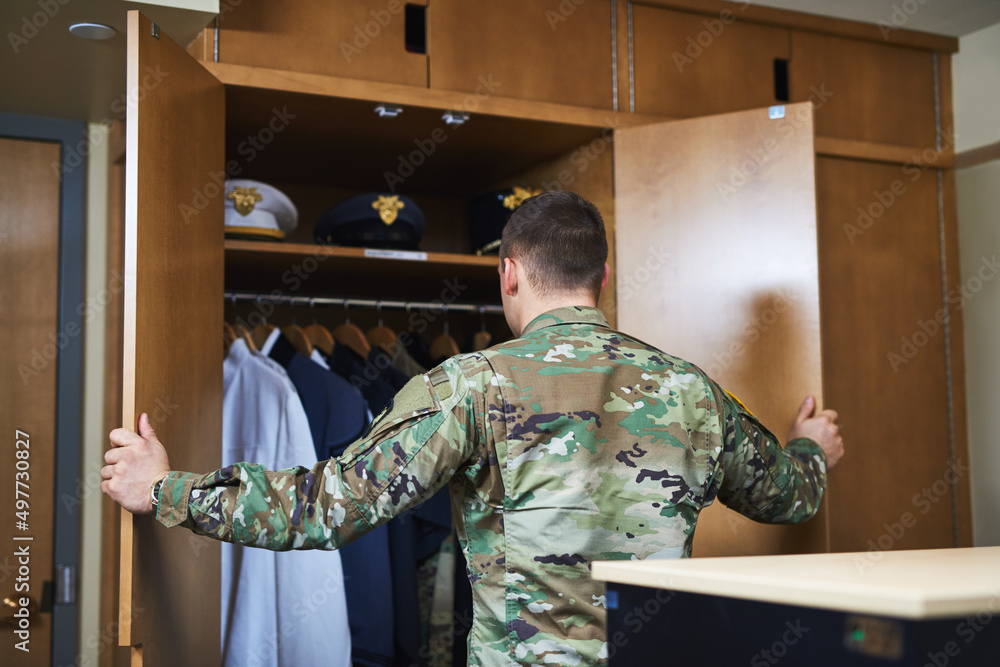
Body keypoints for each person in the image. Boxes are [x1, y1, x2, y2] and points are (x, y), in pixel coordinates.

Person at [103, 190, 844, 666]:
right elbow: (790, 495)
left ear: (509, 273)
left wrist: (164, 488)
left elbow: (325, 508)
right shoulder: (691, 391)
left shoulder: (468, 387)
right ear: (603, 277)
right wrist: (813, 443)